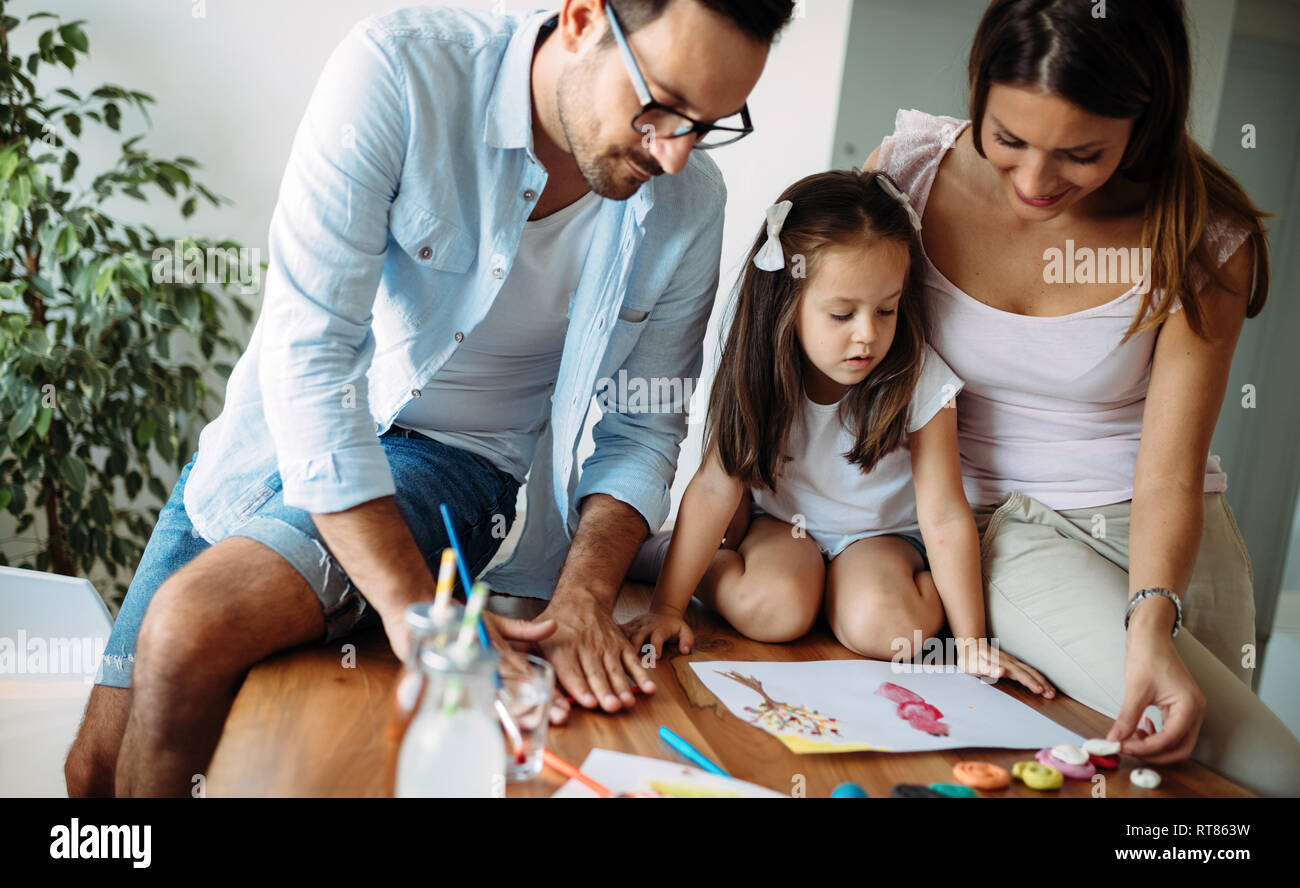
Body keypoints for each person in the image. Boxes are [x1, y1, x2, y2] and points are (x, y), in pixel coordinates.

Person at [64, 0, 797, 797]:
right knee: (93, 772)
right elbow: (310, 360)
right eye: (662, 106)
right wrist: (421, 616)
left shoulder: (688, 204)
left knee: (186, 629)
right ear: (584, 18)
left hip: (451, 468)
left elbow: (644, 428)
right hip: (276, 432)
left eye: (710, 123)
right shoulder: (400, 69)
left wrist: (583, 594)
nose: (677, 154)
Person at [863, 0, 1300, 795]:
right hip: (1005, 532)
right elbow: (817, 360)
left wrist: (1152, 614)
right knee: (1271, 772)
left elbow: (1170, 472)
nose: (1035, 180)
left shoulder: (1202, 234)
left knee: (1210, 777)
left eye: (1082, 154)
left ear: (1145, 122)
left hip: (1166, 534)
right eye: (1009, 138)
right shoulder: (908, 177)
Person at [623, 169, 1053, 696]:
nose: (868, 335)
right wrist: (668, 608)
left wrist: (970, 641)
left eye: (886, 310)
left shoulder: (920, 378)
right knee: (773, 610)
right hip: (783, 528)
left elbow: (942, 510)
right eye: (842, 313)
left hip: (882, 540)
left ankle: (836, 592)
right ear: (787, 305)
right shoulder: (758, 372)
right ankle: (672, 557)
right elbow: (716, 486)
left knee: (895, 629)